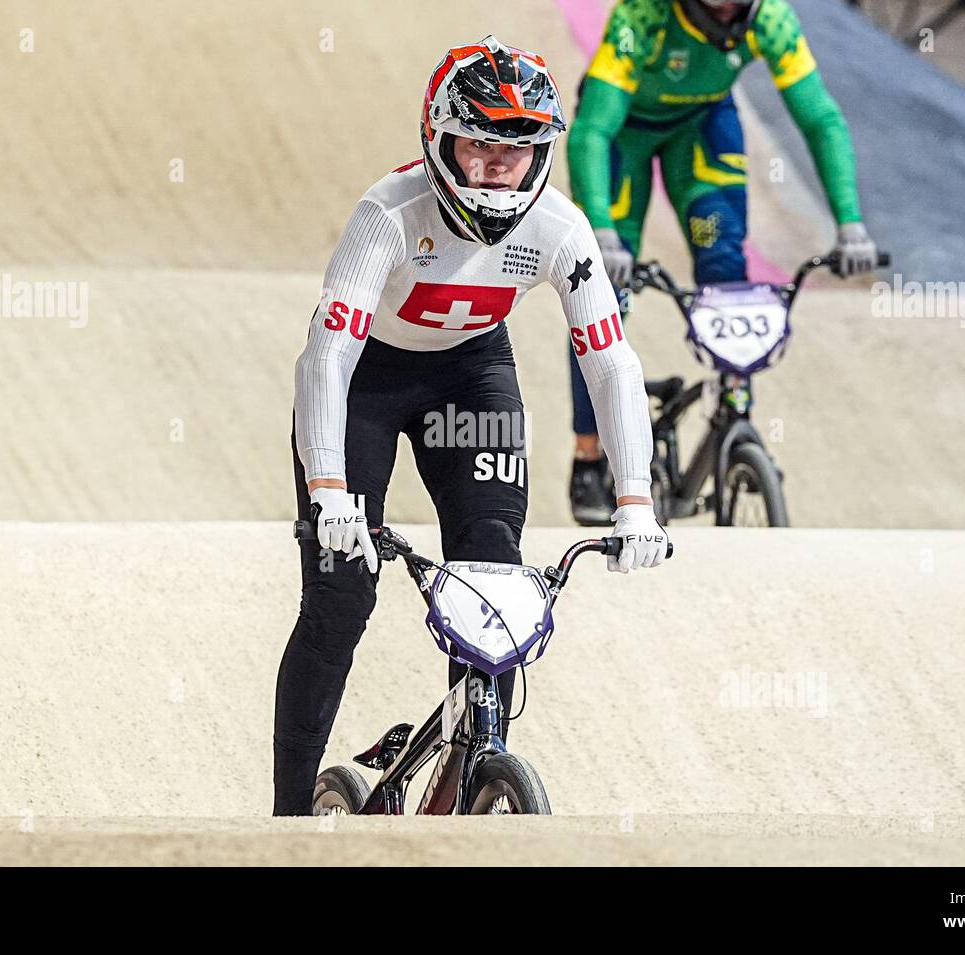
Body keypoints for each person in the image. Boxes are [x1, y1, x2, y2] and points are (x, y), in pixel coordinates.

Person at [274, 36, 670, 816]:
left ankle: (470, 771)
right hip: (365, 384)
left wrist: (635, 500)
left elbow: (612, 364)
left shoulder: (558, 228)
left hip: (471, 376)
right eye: (479, 147)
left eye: (515, 153)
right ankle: (287, 815)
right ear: (439, 139)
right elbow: (324, 356)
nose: (496, 168)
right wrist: (329, 492)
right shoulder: (387, 213)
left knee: (494, 583)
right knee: (341, 597)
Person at [565, 0, 880, 524]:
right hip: (621, 132)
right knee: (602, 300)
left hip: (701, 127)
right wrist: (601, 231)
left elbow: (820, 117)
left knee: (726, 271)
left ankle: (736, 412)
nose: (730, 8)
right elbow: (592, 131)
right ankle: (589, 456)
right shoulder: (642, 16)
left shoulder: (772, 17)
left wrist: (851, 223)